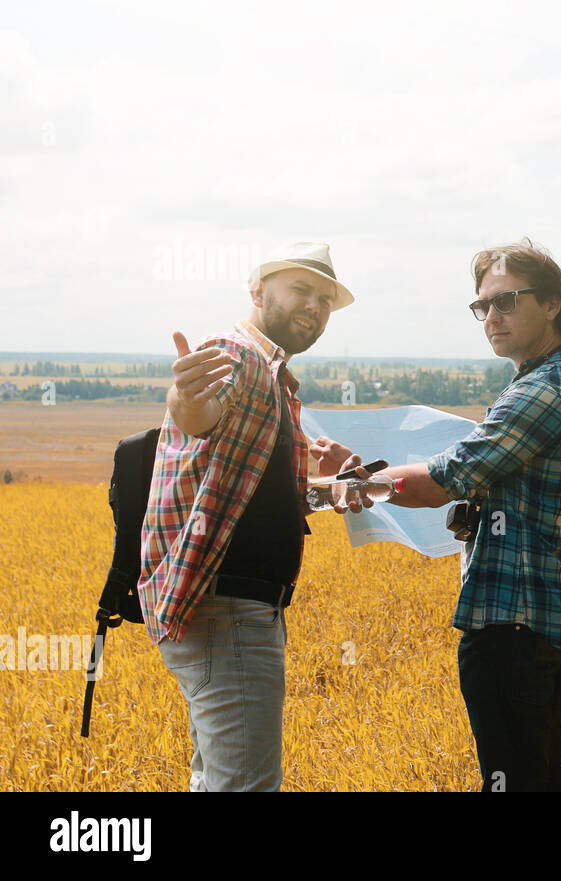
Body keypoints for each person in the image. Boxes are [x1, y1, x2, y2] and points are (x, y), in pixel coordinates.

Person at [323, 238, 561, 791]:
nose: (491, 317)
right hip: (553, 612)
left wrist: (358, 483)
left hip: (514, 621)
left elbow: (444, 479)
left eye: (507, 301)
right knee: (545, 774)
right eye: (483, 305)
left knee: (518, 780)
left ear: (552, 304)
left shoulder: (545, 390)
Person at [138, 241, 358, 791]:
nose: (314, 306)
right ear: (258, 291)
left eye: (324, 300)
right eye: (301, 290)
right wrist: (184, 398)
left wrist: (333, 492)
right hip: (229, 613)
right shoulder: (235, 355)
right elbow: (200, 413)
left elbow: (255, 487)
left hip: (230, 611)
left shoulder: (273, 375)